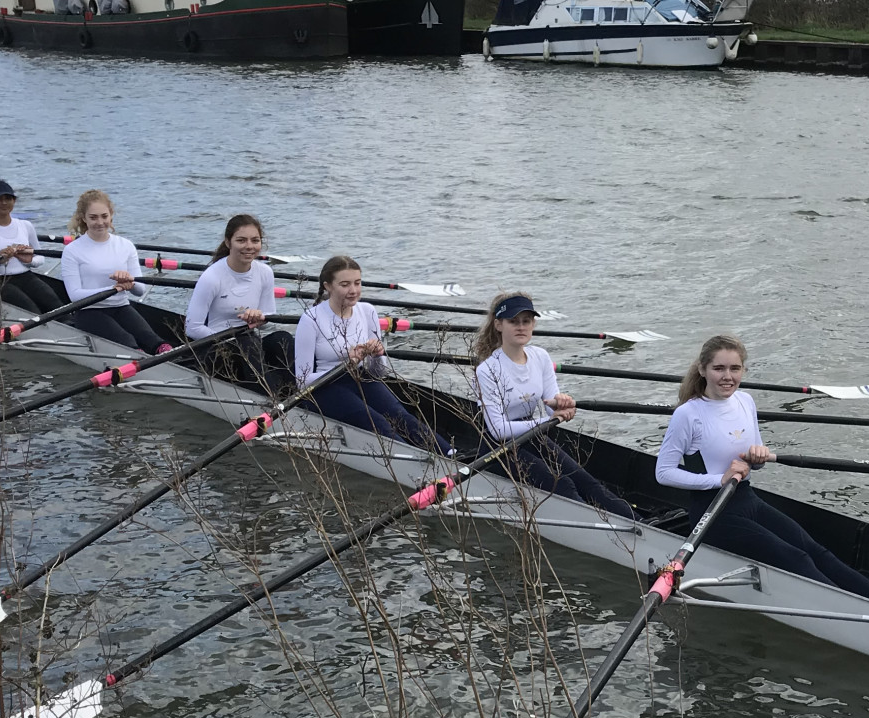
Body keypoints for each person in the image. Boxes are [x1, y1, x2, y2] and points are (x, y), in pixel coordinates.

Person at [655, 334, 869, 604]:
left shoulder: (745, 401)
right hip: (713, 516)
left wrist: (757, 457)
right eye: (719, 368)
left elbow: (755, 459)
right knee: (797, 559)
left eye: (735, 369)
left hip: (747, 500)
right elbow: (663, 472)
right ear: (703, 370)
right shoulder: (688, 414)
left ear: (743, 370)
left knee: (816, 552)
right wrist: (719, 479)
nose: (728, 376)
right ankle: (864, 616)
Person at [472, 292, 637, 517]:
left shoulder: (540, 356)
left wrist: (562, 403)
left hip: (531, 433)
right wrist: (548, 420)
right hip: (497, 448)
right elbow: (499, 430)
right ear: (498, 325)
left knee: (584, 480)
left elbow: (553, 406)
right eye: (513, 321)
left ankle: (638, 523)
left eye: (526, 321)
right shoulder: (487, 370)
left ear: (533, 324)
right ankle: (601, 530)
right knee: (561, 485)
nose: (521, 327)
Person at [294, 255, 448, 452]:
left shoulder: (367, 311)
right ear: (328, 286)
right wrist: (346, 364)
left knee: (400, 416)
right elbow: (302, 381)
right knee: (376, 422)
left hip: (360, 377)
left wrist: (377, 354)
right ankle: (411, 462)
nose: (353, 291)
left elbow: (378, 374)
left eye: (357, 283)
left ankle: (450, 454)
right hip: (325, 386)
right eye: (345, 284)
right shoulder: (310, 319)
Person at [185, 213, 294, 393]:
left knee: (282, 339)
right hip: (215, 349)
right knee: (248, 343)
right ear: (228, 243)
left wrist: (260, 318)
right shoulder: (212, 277)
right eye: (241, 240)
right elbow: (192, 328)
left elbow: (268, 319)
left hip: (248, 344)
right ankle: (269, 397)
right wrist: (231, 340)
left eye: (255, 240)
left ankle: (296, 392)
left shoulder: (265, 272)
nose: (249, 246)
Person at [57, 189, 167, 352]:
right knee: (129, 342)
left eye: (104, 216)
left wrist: (130, 281)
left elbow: (140, 290)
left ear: (111, 215)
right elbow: (74, 295)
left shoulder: (126, 245)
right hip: (89, 312)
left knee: (155, 341)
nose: (100, 222)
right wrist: (114, 288)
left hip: (121, 307)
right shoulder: (72, 250)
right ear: (83, 218)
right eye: (93, 217)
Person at [0, 180, 65, 314]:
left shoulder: (25, 226)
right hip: (1, 283)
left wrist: (29, 261)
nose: (4, 203)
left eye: (8, 198)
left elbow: (40, 258)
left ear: (14, 201)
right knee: (33, 312)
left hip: (27, 277)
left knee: (57, 307)